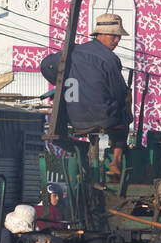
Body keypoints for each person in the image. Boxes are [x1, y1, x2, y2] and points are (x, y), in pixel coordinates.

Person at [40, 13, 132, 179]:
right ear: (100, 34)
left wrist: (59, 82)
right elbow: (119, 93)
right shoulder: (110, 60)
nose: (117, 40)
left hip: (71, 119)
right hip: (101, 119)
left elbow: (46, 65)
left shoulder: (70, 52)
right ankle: (116, 162)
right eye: (114, 35)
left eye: (118, 36)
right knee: (124, 118)